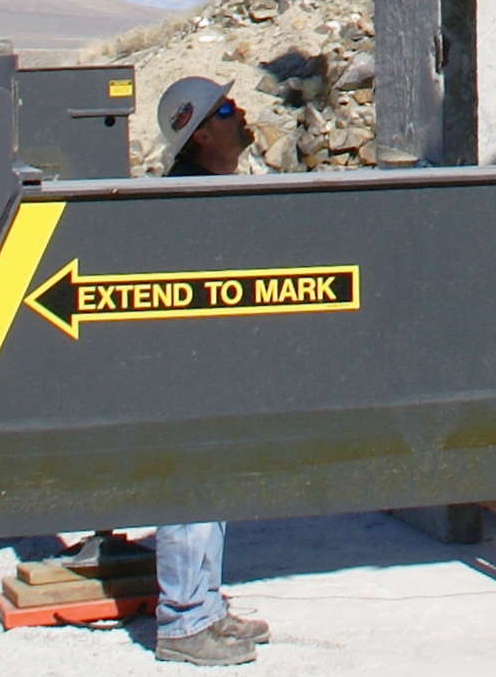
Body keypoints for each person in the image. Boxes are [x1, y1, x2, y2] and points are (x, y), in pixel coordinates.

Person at [146, 76, 272, 665]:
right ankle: (181, 623)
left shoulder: (215, 190)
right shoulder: (186, 203)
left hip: (209, 370)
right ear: (198, 137)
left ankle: (205, 607)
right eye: (224, 110)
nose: (240, 113)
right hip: (183, 375)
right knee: (188, 488)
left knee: (209, 490)